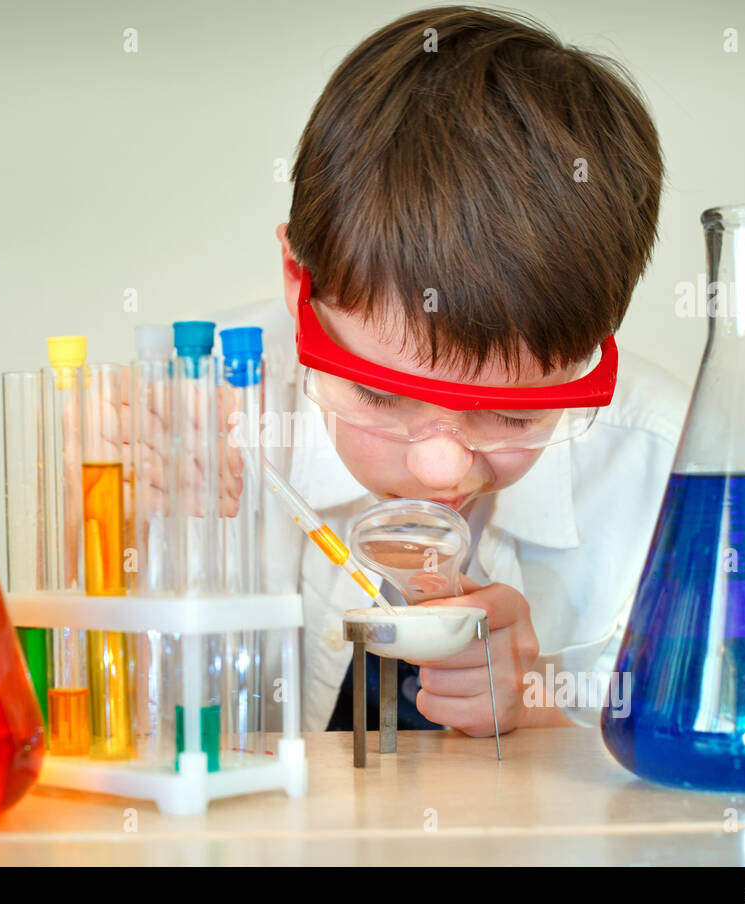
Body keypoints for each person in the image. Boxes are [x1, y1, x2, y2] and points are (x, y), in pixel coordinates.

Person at [210, 5, 689, 735]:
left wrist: (542, 717)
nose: (440, 470)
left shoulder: (668, 473)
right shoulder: (195, 411)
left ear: (594, 346)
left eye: (514, 416)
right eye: (380, 393)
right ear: (294, 280)